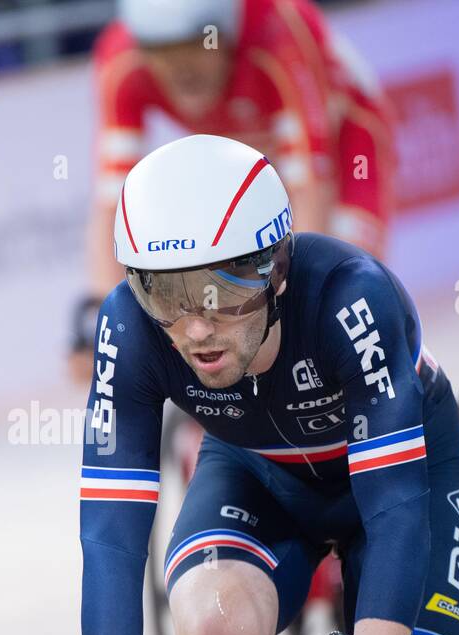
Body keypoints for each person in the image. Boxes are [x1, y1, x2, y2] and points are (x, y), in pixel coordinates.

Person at [44, 135, 459, 635]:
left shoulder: (355, 297)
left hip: (406, 488)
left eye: (219, 293)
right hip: (257, 475)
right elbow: (113, 531)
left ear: (275, 269)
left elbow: (397, 510)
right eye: (167, 293)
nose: (195, 328)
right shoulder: (128, 325)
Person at [70, 0, 395, 379]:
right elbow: (111, 201)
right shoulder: (121, 58)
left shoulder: (277, 32)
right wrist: (101, 313)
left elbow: (310, 183)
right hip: (243, 150)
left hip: (347, 143)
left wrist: (301, 301)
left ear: (225, 33)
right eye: (163, 55)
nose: (181, 72)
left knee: (342, 290)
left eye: (193, 48)